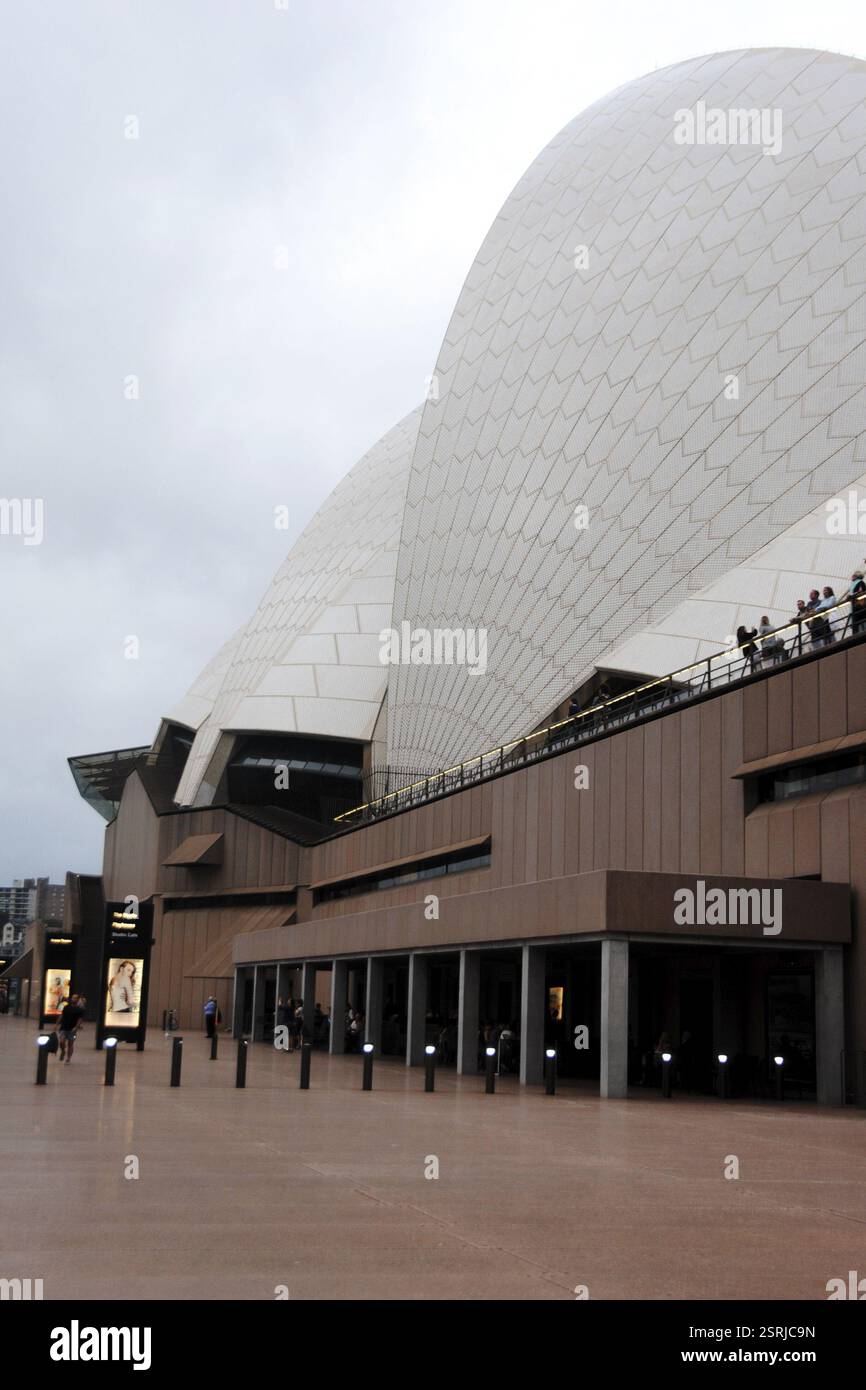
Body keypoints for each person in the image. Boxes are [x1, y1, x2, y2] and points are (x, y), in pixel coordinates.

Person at [57, 994, 85, 1064]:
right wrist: (57, 1024)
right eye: (73, 998)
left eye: (75, 998)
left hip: (72, 1029)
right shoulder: (66, 1007)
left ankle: (68, 1058)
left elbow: (80, 1019)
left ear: (78, 1000)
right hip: (63, 1027)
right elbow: (62, 1015)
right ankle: (63, 1050)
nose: (73, 999)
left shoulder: (80, 1010)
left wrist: (76, 1027)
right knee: (61, 1041)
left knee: (70, 1043)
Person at [846, 571, 866, 635]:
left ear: (857, 576)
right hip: (855, 605)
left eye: (854, 575)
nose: (852, 576)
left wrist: (852, 596)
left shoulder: (860, 582)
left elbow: (860, 592)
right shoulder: (853, 584)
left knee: (862, 620)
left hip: (861, 605)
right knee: (857, 622)